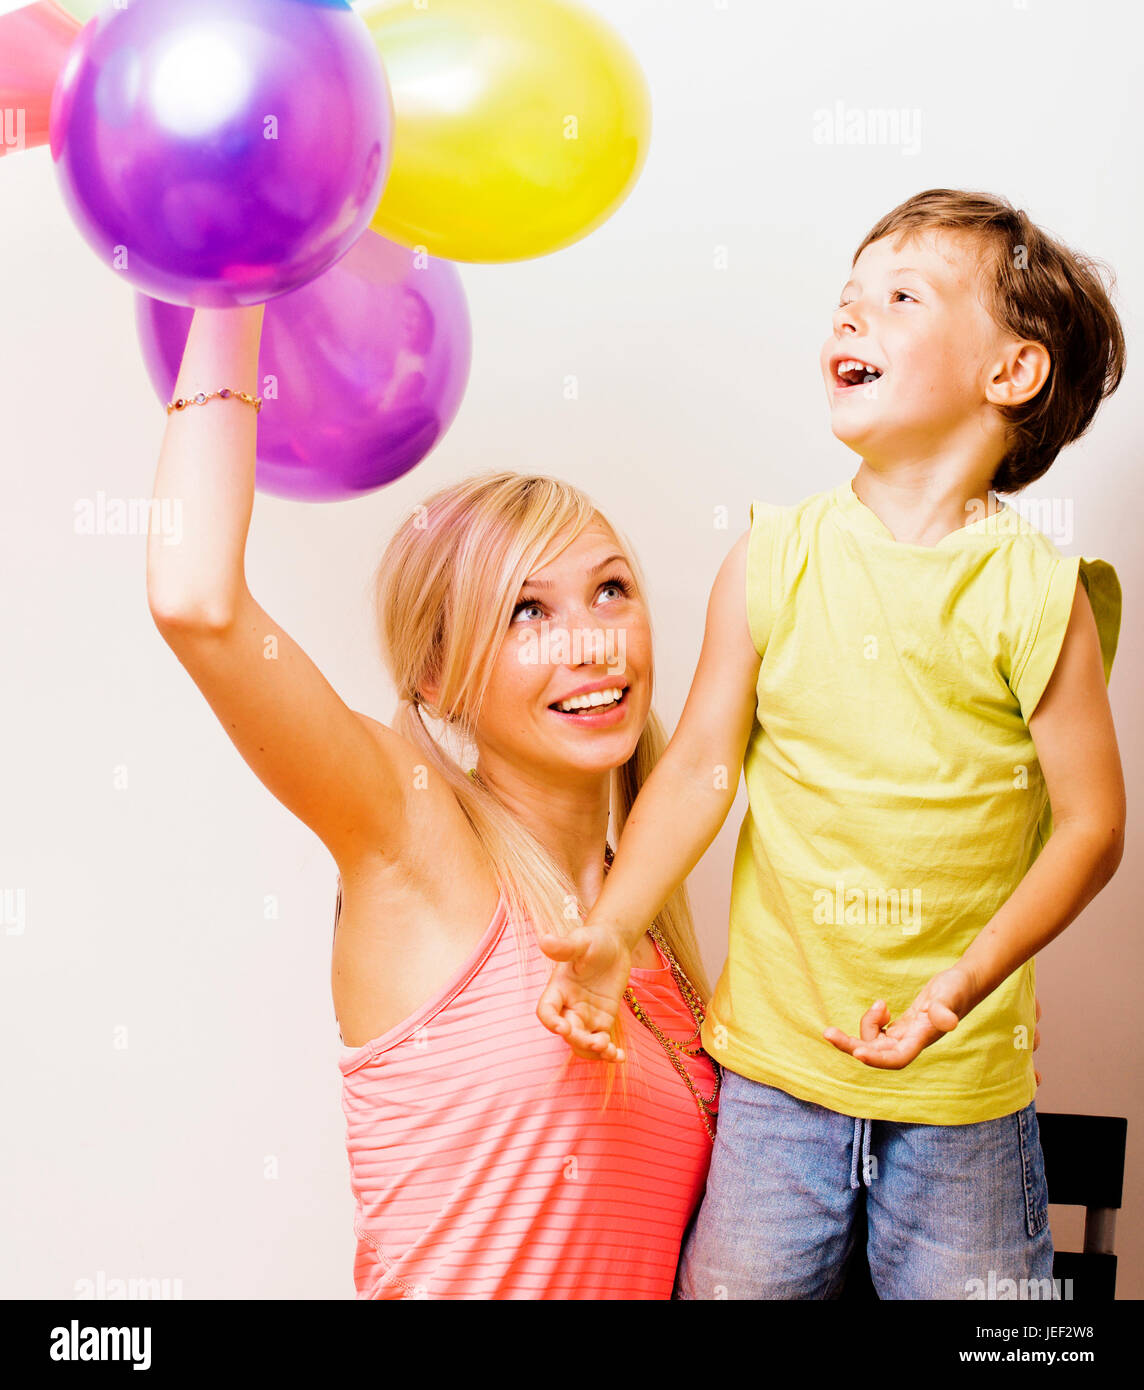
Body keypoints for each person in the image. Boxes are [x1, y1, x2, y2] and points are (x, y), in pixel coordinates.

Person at [539, 188, 1126, 1299]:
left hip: (961, 1091)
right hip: (773, 1073)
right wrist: (613, 928)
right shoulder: (771, 560)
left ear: (1011, 374)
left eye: (899, 296)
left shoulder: (1041, 597)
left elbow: (1092, 827)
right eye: (845, 300)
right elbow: (703, 765)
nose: (850, 319)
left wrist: (963, 982)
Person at [145, 318, 719, 1298]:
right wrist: (234, 277)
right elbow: (198, 603)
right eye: (525, 611)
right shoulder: (415, 838)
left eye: (610, 591)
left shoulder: (653, 931)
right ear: (440, 674)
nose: (591, 645)